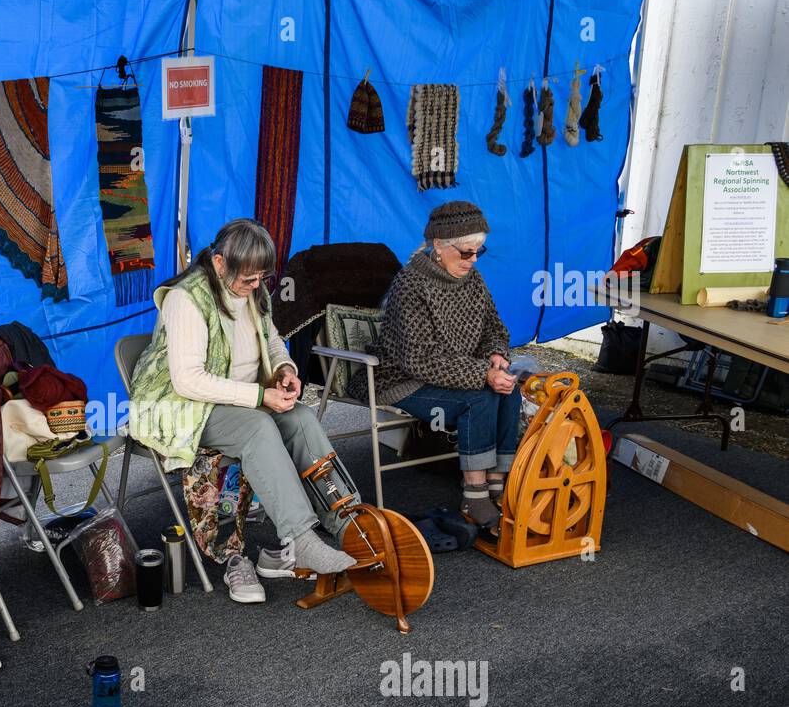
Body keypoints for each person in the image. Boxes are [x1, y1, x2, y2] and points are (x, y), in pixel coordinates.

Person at [129, 218, 360, 603]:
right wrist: (258, 396)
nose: (256, 286)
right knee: (257, 428)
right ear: (219, 263)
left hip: (242, 396)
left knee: (301, 418)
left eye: (261, 278)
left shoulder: (253, 291)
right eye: (248, 279)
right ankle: (300, 538)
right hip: (183, 406)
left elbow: (272, 342)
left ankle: (346, 521)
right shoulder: (185, 298)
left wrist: (285, 370)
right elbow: (188, 381)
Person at [361, 200, 519, 530]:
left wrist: (496, 354)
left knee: (509, 390)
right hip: (403, 379)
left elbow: (495, 327)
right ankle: (474, 494)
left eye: (479, 251)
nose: (473, 260)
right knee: (479, 397)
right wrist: (482, 374)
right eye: (466, 252)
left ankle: (498, 482)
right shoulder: (412, 285)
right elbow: (421, 360)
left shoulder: (472, 280)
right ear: (438, 245)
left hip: (452, 373)